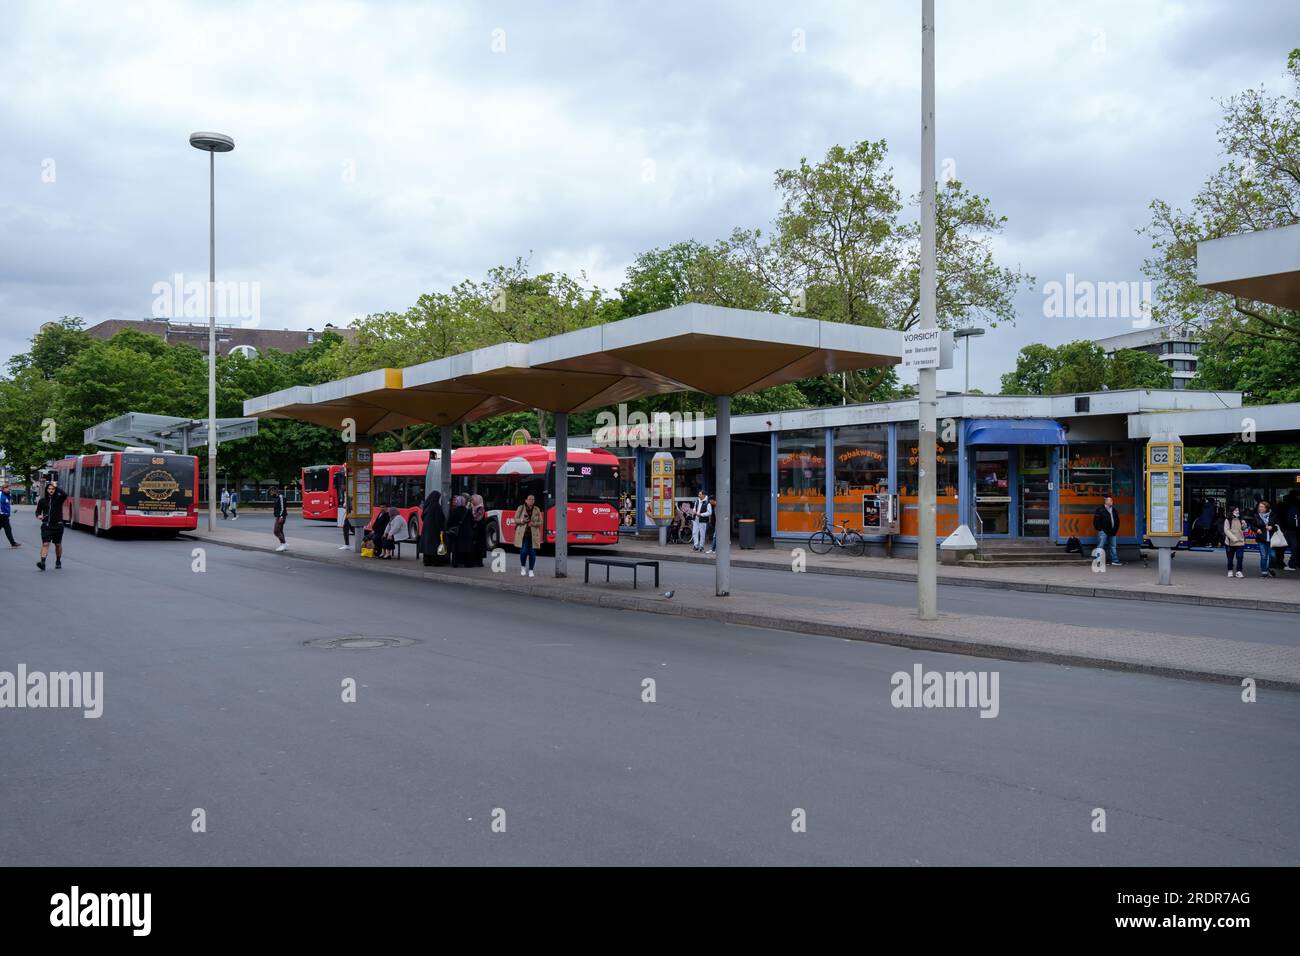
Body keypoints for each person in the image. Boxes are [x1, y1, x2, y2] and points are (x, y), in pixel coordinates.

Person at [34, 476, 69, 571]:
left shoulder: (59, 499)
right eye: (49, 489)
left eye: (52, 489)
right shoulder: (42, 501)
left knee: (57, 544)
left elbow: (65, 494)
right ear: (46, 490)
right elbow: (37, 512)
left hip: (58, 525)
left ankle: (58, 560)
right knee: (45, 544)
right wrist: (39, 516)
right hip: (46, 526)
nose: (51, 490)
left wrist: (56, 486)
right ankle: (43, 562)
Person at [513, 492, 542, 577]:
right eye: (530, 499)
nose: (531, 501)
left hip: (533, 535)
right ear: (526, 500)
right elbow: (515, 519)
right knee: (524, 551)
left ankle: (531, 570)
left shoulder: (537, 509)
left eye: (533, 499)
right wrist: (522, 520)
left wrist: (534, 523)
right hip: (523, 535)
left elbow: (541, 522)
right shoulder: (521, 508)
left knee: (532, 553)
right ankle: (523, 567)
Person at [1092, 494, 1122, 567]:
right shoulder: (1100, 510)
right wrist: (1100, 529)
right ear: (1106, 501)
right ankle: (1098, 561)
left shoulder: (1114, 510)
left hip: (1113, 532)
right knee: (1100, 546)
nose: (1112, 501)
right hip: (1103, 532)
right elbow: (1096, 521)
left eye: (1112, 500)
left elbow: (1117, 520)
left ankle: (1115, 561)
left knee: (1113, 546)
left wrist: (1115, 529)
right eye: (1110, 500)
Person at [419, 490, 447, 566]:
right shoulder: (436, 506)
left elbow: (422, 517)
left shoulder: (427, 505)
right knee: (434, 546)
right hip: (434, 530)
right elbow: (439, 519)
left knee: (427, 546)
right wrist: (441, 529)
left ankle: (427, 561)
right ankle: (435, 562)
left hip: (426, 529)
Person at [1252, 500, 1278, 578]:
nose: (1260, 508)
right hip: (1261, 538)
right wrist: (1257, 530)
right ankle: (1264, 572)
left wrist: (1272, 527)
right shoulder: (1256, 515)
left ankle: (1270, 568)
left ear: (1266, 508)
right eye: (1259, 507)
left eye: (1262, 507)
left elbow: (1277, 525)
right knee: (1264, 556)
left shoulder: (1273, 515)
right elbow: (1252, 526)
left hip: (1272, 539)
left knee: (1273, 555)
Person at [446, 494, 473, 568]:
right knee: (466, 548)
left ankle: (455, 563)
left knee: (456, 548)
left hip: (457, 533)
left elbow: (449, 522)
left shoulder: (455, 511)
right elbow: (472, 521)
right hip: (467, 533)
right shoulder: (468, 511)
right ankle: (467, 564)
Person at [1223, 505, 1247, 578]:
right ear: (1231, 511)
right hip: (1230, 542)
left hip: (1240, 541)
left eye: (1238, 510)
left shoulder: (1240, 519)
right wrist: (1234, 538)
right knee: (1230, 558)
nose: (1237, 512)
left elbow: (1243, 529)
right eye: (1235, 510)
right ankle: (1230, 570)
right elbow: (1226, 530)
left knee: (1240, 557)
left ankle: (1239, 571)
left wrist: (1244, 525)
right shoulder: (1228, 520)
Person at [1280, 491, 1300, 572]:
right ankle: (1293, 563)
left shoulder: (1285, 506)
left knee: (1282, 546)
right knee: (1295, 547)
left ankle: (1288, 563)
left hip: (1288, 529)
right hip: (1294, 529)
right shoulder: (1296, 505)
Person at [469, 494, 488, 568]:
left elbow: (477, 518)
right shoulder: (474, 507)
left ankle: (478, 561)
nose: (472, 501)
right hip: (477, 530)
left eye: (473, 499)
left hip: (479, 530)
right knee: (476, 546)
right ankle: (476, 561)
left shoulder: (480, 508)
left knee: (478, 546)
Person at [0, 480, 20, 548]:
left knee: (8, 529)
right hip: (1, 515)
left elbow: (7, 504)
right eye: (8, 488)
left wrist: (12, 510)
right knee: (8, 529)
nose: (9, 490)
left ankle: (13, 543)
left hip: (5, 516)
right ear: (3, 489)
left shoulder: (7, 495)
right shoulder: (0, 495)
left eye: (9, 488)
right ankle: (13, 543)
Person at [270, 484, 288, 552]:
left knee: (276, 531)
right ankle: (284, 544)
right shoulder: (276, 497)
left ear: (275, 491)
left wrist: (281, 516)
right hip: (279, 516)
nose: (271, 493)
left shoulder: (280, 497)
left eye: (271, 491)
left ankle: (283, 543)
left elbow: (283, 507)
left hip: (281, 516)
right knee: (280, 530)